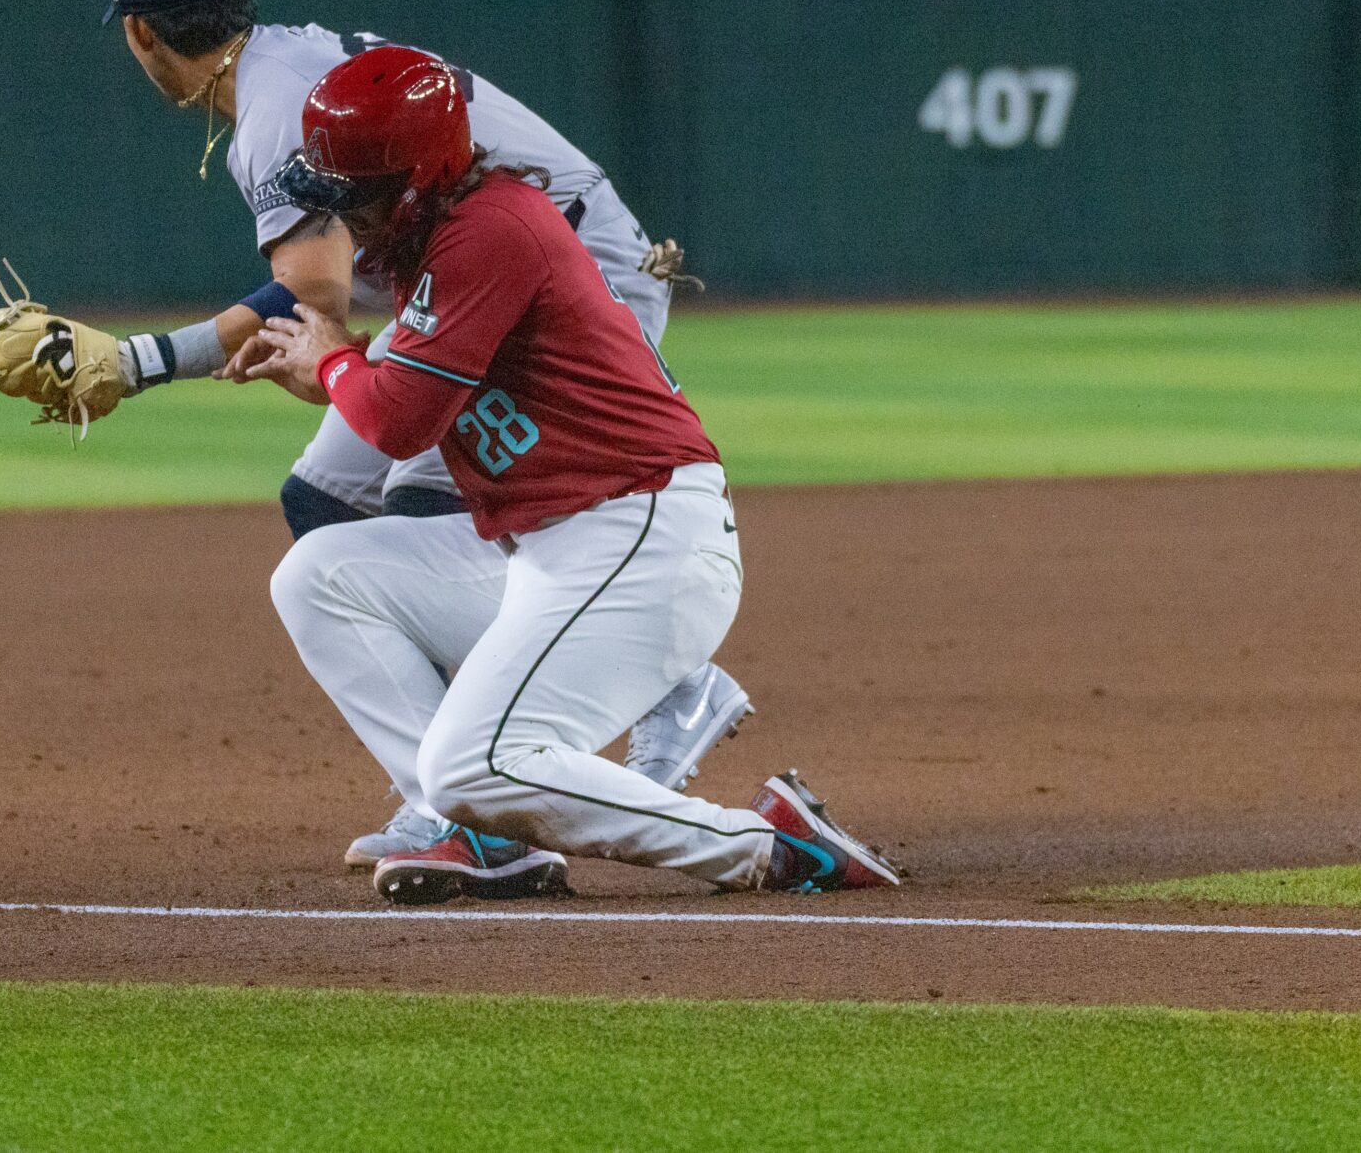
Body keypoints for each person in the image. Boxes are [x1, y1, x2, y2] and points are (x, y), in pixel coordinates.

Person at [99, 0, 752, 864]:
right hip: (489, 264)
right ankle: (497, 774)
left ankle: (501, 785)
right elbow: (320, 295)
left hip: (563, 271)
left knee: (426, 504)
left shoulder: (274, 108)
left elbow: (313, 292)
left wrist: (142, 362)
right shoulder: (281, 69)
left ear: (138, 31)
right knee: (327, 501)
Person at [242, 44, 899, 903]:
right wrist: (344, 368)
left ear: (412, 179)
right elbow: (399, 398)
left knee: (472, 761)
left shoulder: (493, 230)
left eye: (353, 194)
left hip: (644, 538)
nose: (340, 217)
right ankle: (474, 834)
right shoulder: (438, 239)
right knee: (320, 576)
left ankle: (765, 842)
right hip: (551, 550)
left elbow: (396, 417)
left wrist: (335, 366)